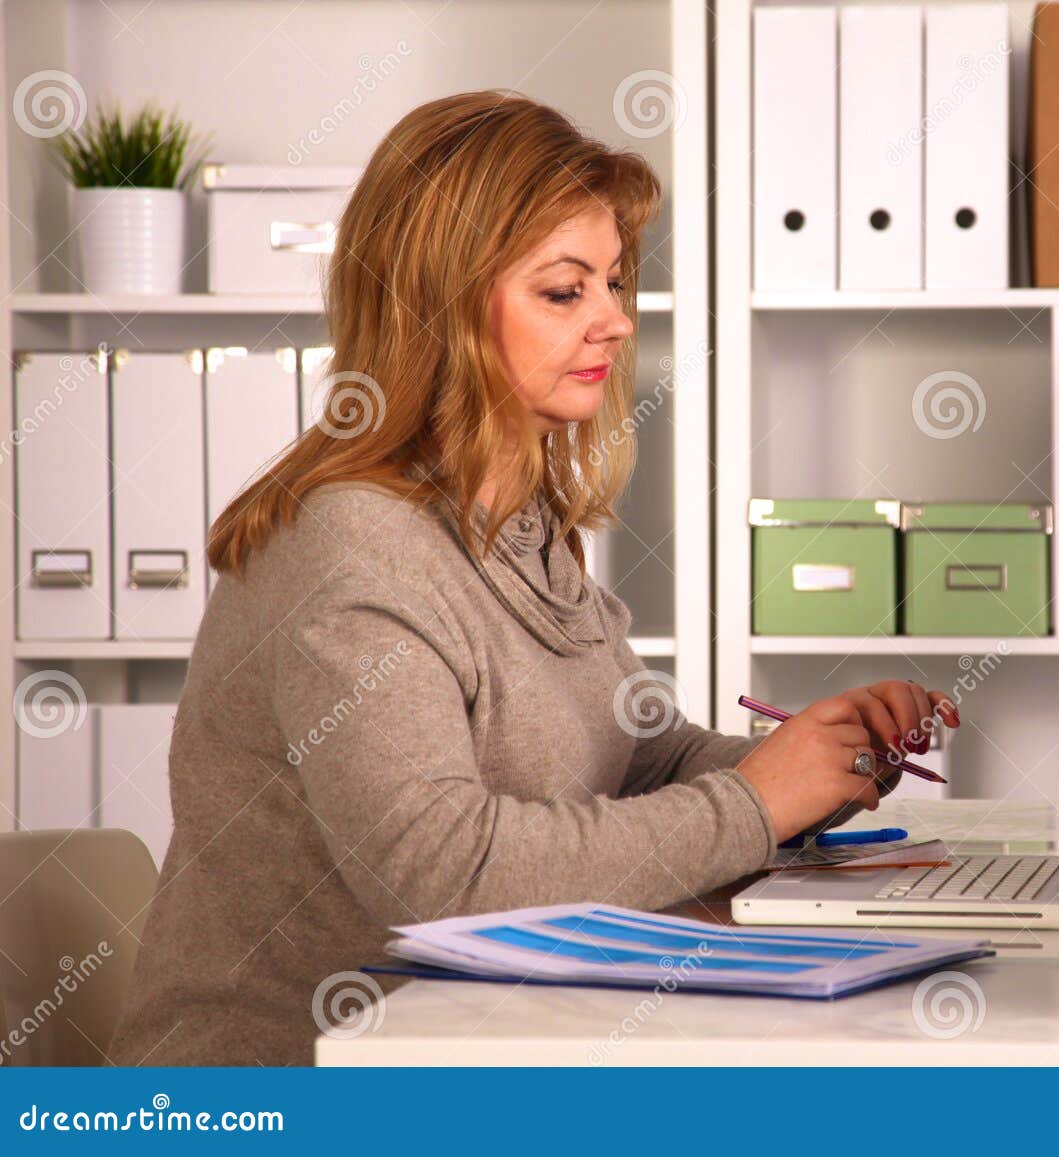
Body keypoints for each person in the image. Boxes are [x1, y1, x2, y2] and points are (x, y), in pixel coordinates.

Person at [110, 91, 959, 1066]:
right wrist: (756, 804)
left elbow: (635, 757)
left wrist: (815, 761)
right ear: (441, 311)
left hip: (476, 1044)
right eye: (565, 291)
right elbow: (442, 871)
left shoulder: (521, 519)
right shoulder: (350, 547)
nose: (612, 321)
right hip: (289, 1078)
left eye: (614, 281)